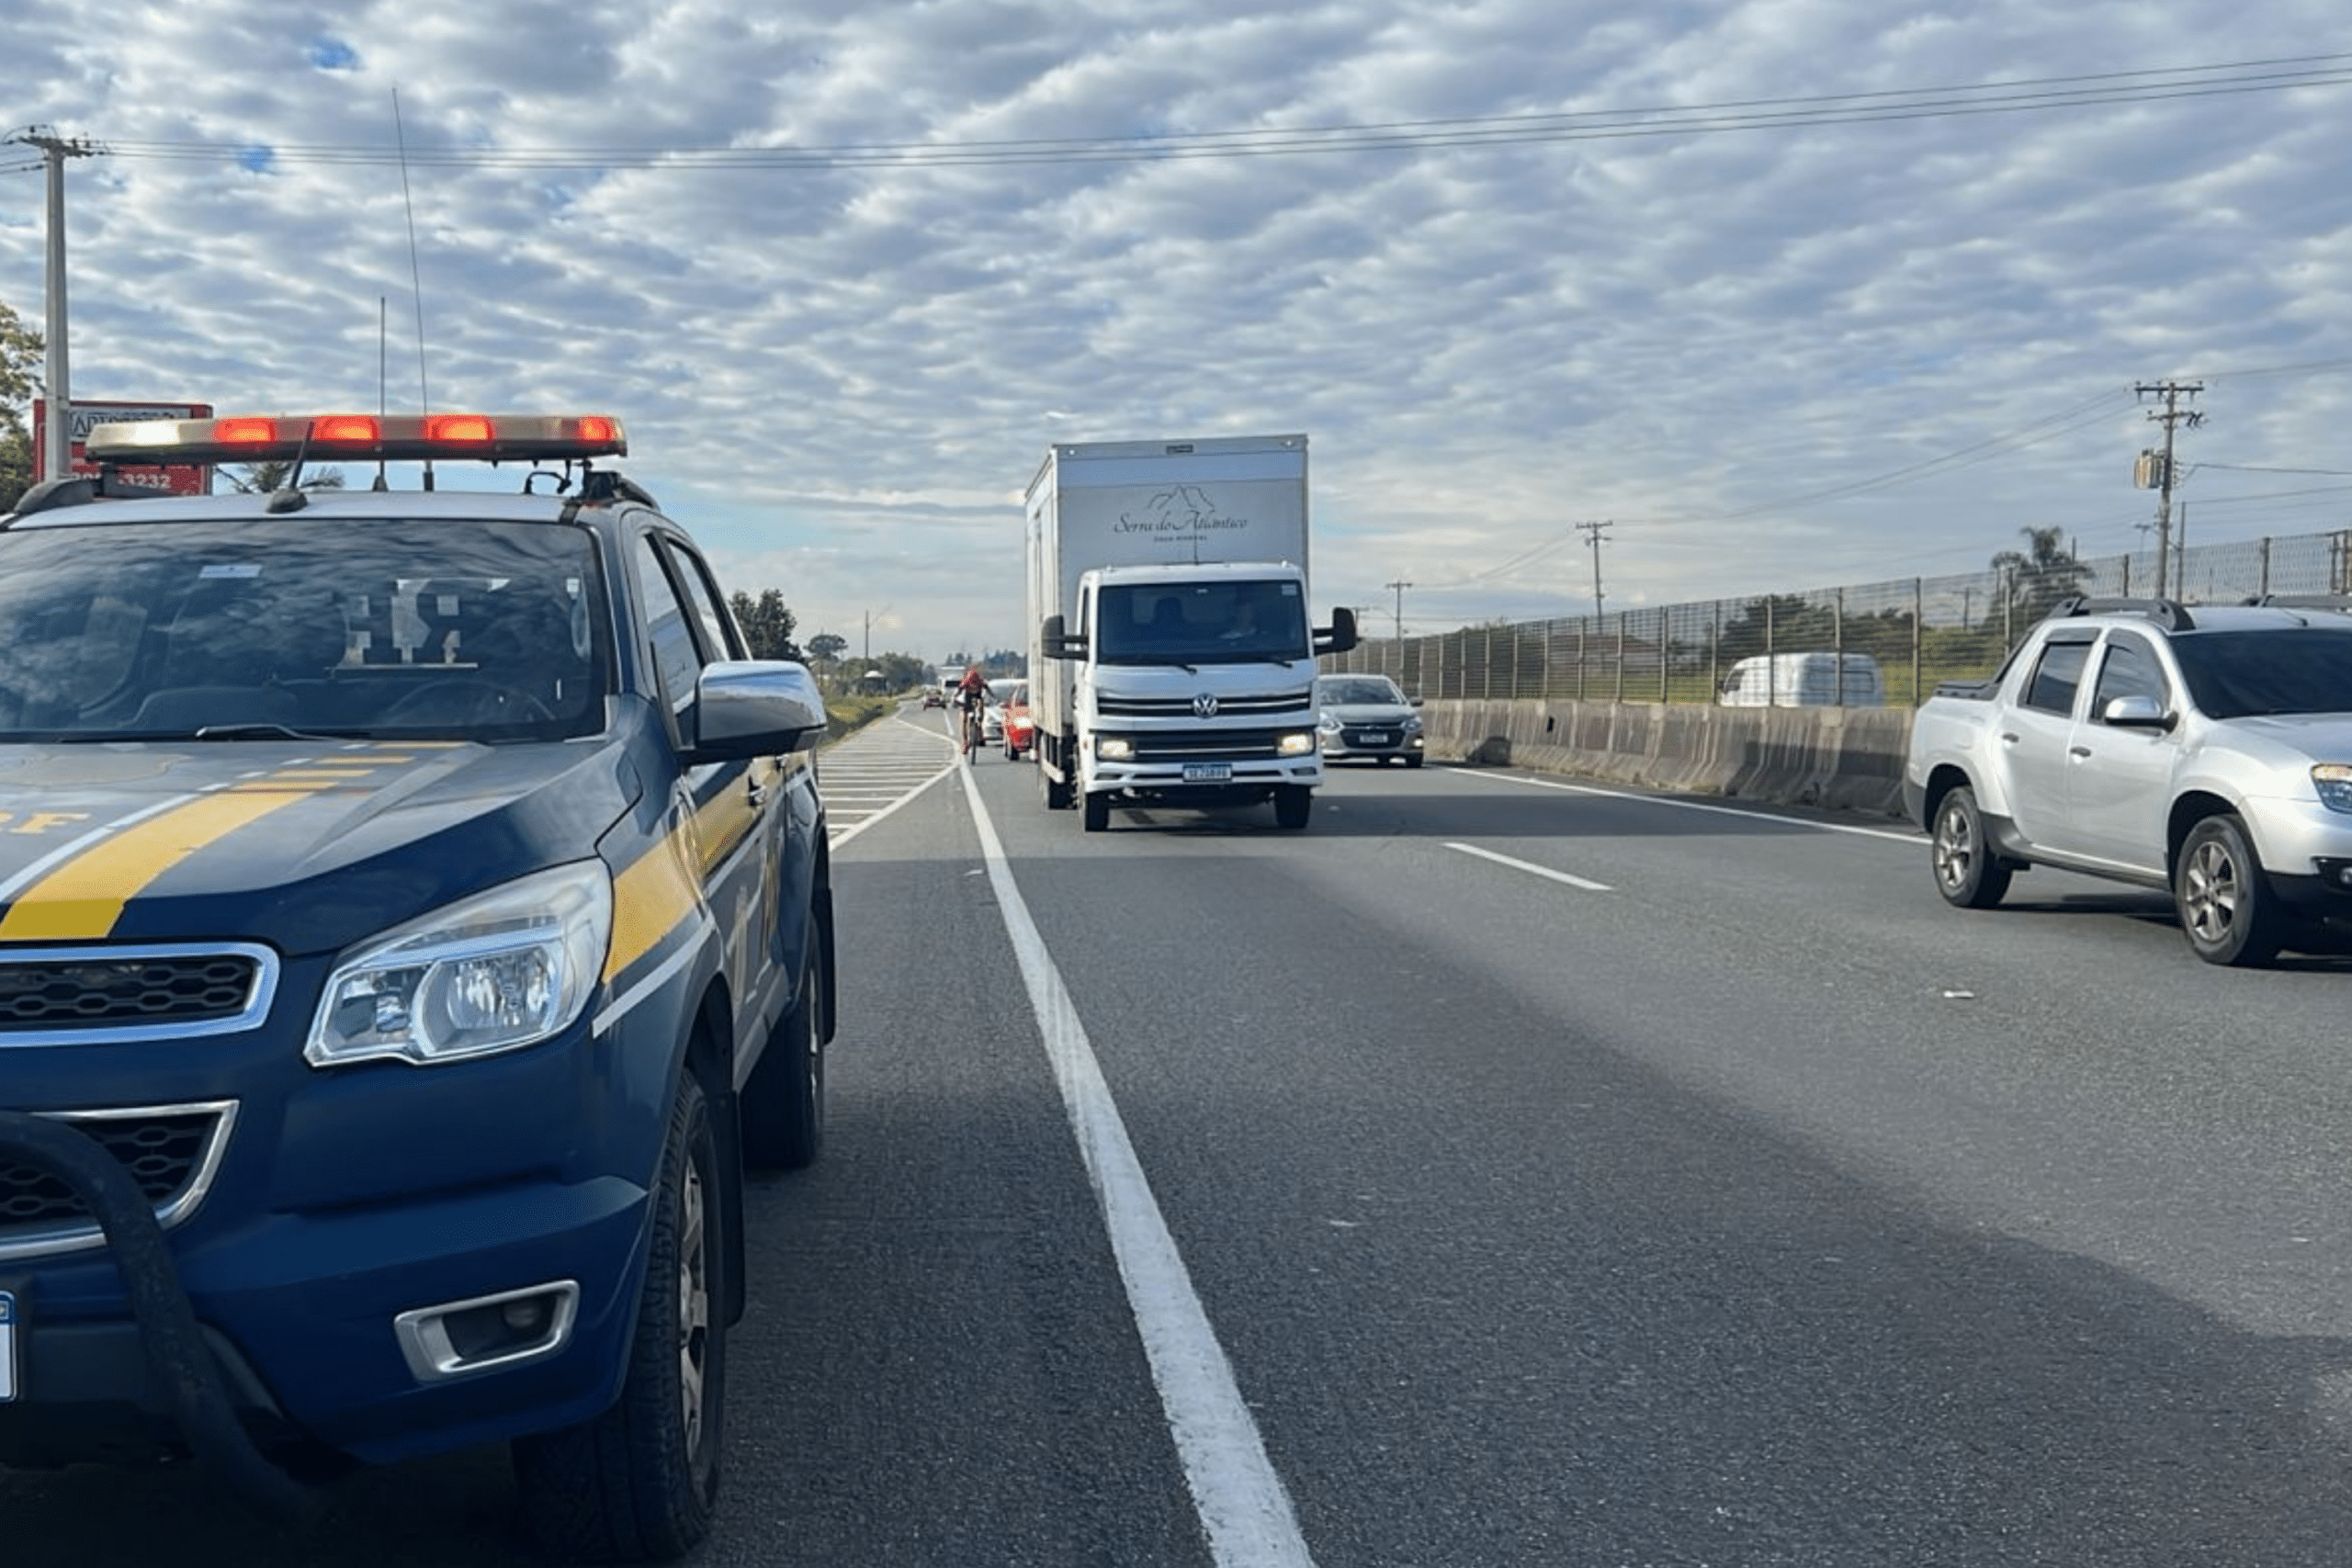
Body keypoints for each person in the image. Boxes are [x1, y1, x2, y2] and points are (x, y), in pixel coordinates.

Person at [954, 665, 989, 755]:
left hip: (977, 696)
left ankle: (979, 728)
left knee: (981, 708)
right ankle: (965, 743)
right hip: (968, 697)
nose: (973, 686)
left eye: (975, 684)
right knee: (964, 719)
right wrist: (956, 696)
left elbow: (987, 689)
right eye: (972, 684)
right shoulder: (966, 681)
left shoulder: (979, 681)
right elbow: (960, 689)